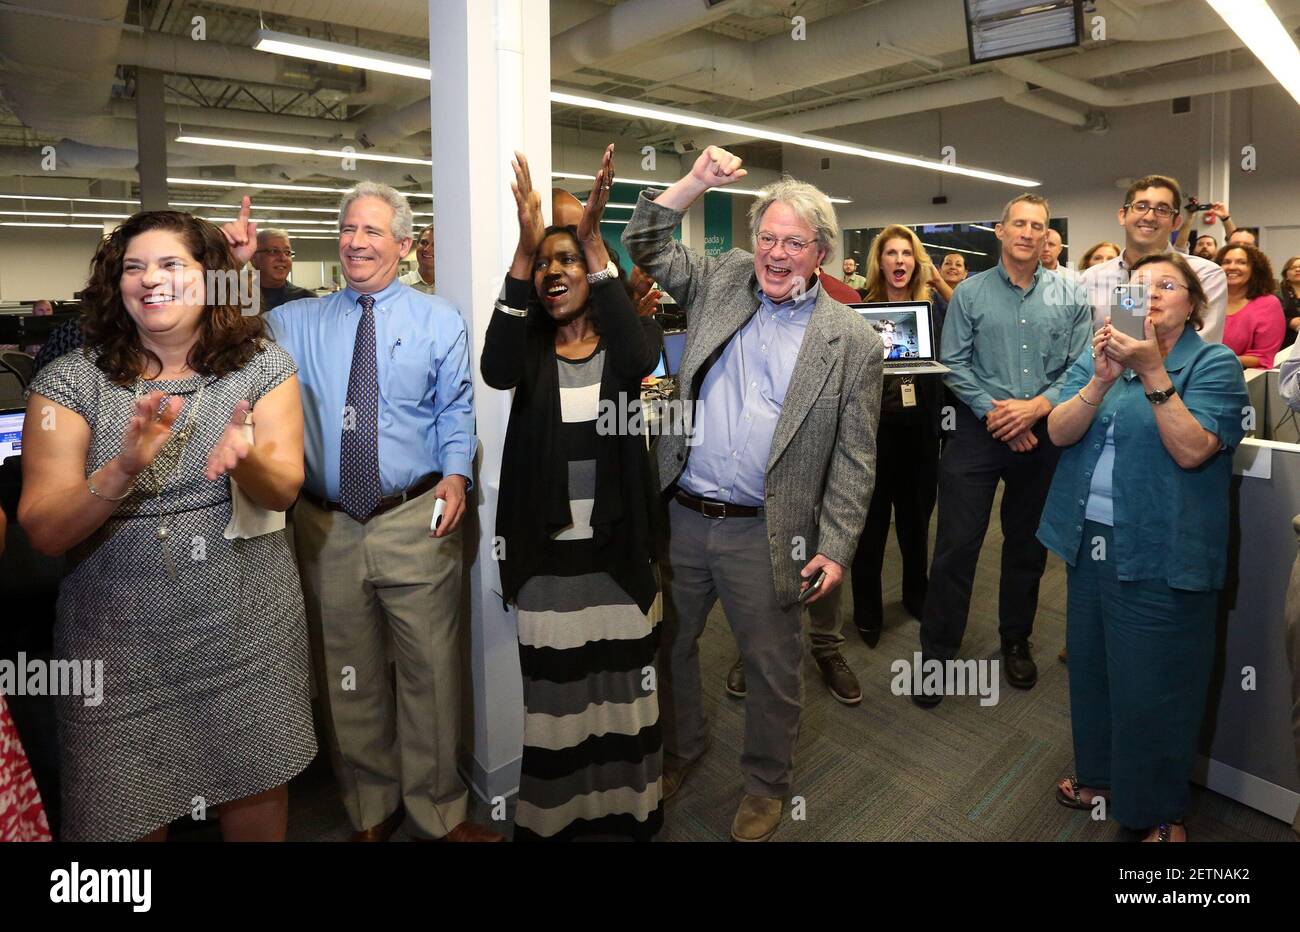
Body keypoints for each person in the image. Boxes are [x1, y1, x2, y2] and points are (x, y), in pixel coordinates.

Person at [18, 210, 316, 841]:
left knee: (254, 784)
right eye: (134, 267)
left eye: (171, 264)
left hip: (246, 628)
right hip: (117, 644)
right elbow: (44, 529)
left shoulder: (261, 367)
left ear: (210, 279)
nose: (150, 279)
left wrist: (246, 458)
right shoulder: (70, 382)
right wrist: (122, 467)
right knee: (123, 811)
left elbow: (284, 488)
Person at [222, 187, 498, 843]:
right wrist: (235, 271)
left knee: (432, 673)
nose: (356, 242)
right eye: (348, 229)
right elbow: (228, 336)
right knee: (349, 678)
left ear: (404, 246)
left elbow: (453, 409)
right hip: (326, 527)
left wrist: (458, 472)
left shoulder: (440, 318)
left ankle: (440, 811)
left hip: (415, 516)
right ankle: (370, 810)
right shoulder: (297, 322)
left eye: (373, 230)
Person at [623, 146, 881, 842]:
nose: (775, 254)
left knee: (772, 668)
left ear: (821, 252)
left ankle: (767, 785)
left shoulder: (851, 340)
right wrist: (697, 182)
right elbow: (643, 242)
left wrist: (835, 547)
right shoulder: (725, 278)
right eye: (766, 237)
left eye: (793, 242)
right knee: (670, 647)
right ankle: (681, 750)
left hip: (769, 531)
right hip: (683, 514)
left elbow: (857, 457)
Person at [481, 146, 664, 841]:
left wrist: (591, 238)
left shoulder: (624, 342)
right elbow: (494, 369)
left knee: (623, 704)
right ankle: (558, 824)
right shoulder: (525, 349)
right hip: (550, 564)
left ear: (592, 270)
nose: (558, 273)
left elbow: (645, 357)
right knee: (557, 714)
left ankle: (630, 819)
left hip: (617, 556)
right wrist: (525, 253)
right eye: (546, 264)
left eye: (570, 261)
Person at [1038, 251, 1248, 843]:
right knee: (1095, 668)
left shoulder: (1213, 363)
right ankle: (1103, 778)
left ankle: (1160, 811)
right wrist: (1101, 380)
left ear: (1193, 305)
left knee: (1157, 683)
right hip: (1090, 541)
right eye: (1140, 285)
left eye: (1167, 285)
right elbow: (1056, 431)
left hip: (1163, 547)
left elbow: (1193, 449)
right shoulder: (1099, 355)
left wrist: (1154, 373)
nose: (1151, 294)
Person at [917, 193, 1091, 706]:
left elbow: (1080, 368)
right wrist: (999, 414)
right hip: (977, 428)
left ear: (1045, 235)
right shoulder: (969, 294)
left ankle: (1016, 639)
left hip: (1041, 432)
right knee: (955, 545)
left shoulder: (1070, 294)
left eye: (1037, 225)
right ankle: (937, 654)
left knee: (1026, 547)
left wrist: (1034, 408)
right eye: (1019, 223)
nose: (1028, 232)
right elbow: (954, 362)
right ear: (1000, 230)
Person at [852, 225, 947, 647]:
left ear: (916, 261)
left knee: (915, 525)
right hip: (873, 436)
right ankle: (867, 611)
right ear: (880, 262)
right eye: (891, 253)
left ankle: (916, 594)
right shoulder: (860, 310)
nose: (899, 261)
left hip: (920, 436)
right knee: (869, 530)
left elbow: (951, 366)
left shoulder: (934, 309)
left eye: (906, 254)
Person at [1081, 175, 1227, 344]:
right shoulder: (1091, 278)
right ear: (1122, 216)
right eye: (1140, 206)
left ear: (1176, 222)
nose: (1149, 217)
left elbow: (1203, 349)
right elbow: (1084, 347)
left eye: (1162, 210)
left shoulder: (1205, 275)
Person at [1216, 243, 1284, 370]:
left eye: (1241, 262)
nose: (1232, 267)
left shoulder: (1268, 304)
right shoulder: (1208, 300)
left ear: (1255, 269)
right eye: (1226, 262)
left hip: (1240, 378)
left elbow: (1262, 357)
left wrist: (1214, 361)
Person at [251, 228, 313, 312]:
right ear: (253, 258)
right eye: (273, 251)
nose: (283, 258)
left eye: (287, 252)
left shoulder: (306, 299)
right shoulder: (238, 296)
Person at [399, 223, 436, 294]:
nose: (427, 249)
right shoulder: (400, 286)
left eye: (435, 245)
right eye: (424, 243)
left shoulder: (453, 286)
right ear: (417, 245)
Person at [1279, 255, 1300, 351]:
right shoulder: (1277, 293)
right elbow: (1269, 318)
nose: (1297, 270)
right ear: (1286, 275)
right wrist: (1289, 322)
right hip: (1285, 345)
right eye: (1293, 268)